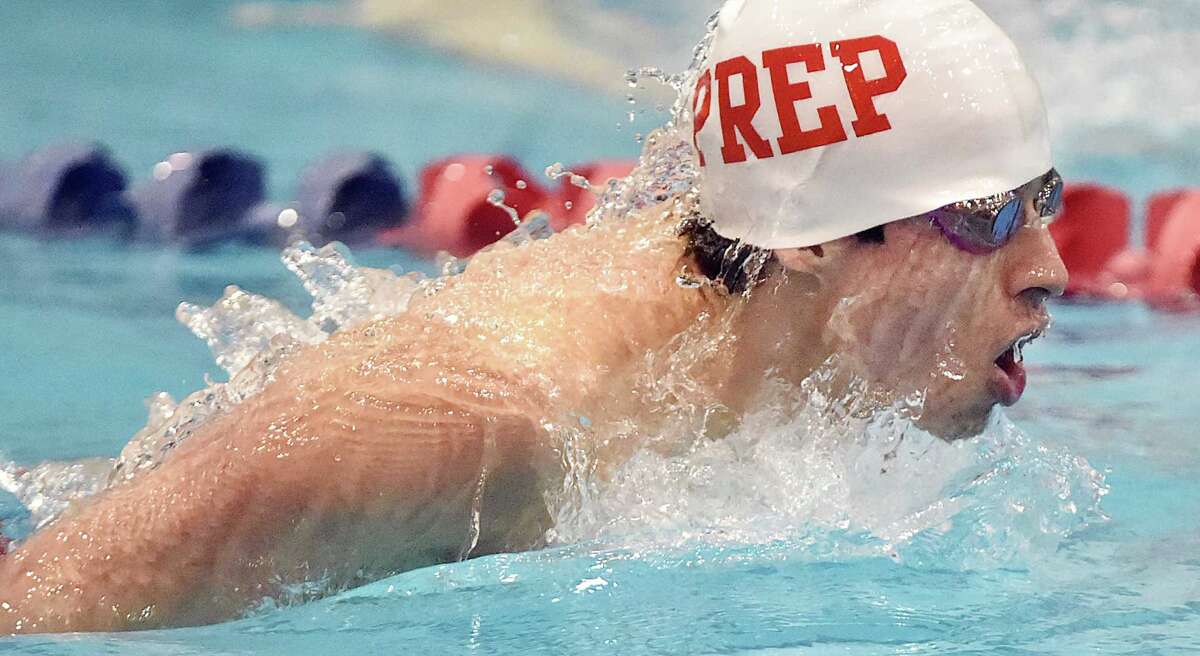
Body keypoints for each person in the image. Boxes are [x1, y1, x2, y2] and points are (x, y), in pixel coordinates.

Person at [0, 0, 1068, 633]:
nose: (1051, 267)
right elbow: (43, 612)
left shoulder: (775, 322)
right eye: (984, 216)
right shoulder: (473, 420)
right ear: (815, 238)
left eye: (1048, 195)